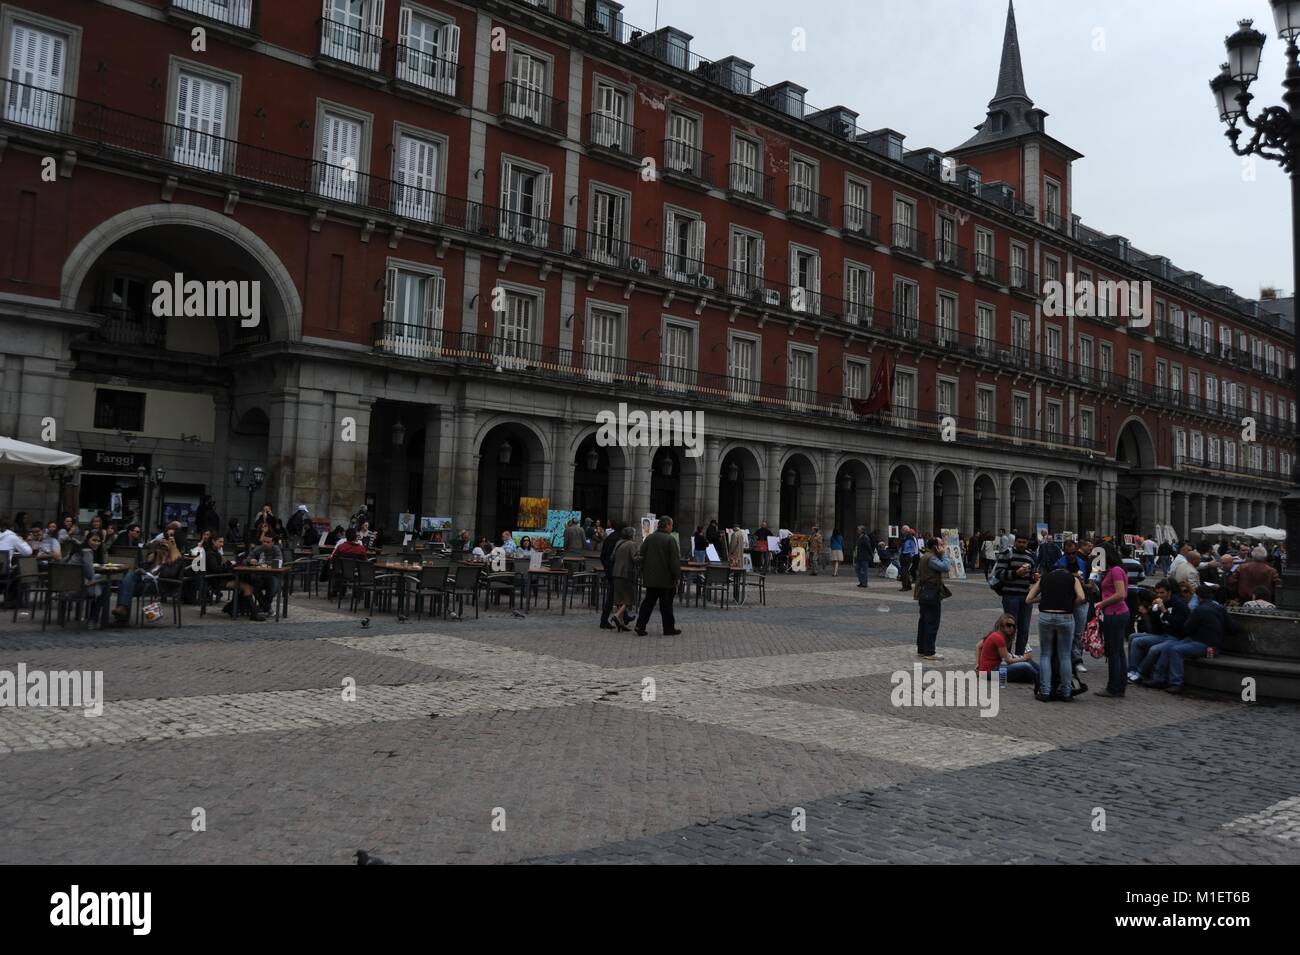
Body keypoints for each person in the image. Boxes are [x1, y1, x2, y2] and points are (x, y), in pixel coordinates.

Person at [1144, 586, 1234, 693]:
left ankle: (1175, 683)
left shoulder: (1199, 610)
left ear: (1198, 597)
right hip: (1208, 642)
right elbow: (1232, 626)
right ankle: (1159, 678)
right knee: (1169, 647)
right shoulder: (1220, 608)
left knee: (1175, 650)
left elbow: (1187, 628)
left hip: (1203, 643)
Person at [1026, 564, 1085, 701]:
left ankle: (1045, 692)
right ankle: (1066, 692)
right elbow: (1081, 597)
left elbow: (1028, 599)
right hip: (1066, 616)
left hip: (1046, 616)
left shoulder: (1044, 578)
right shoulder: (1072, 579)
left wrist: (1043, 598)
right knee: (1064, 655)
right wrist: (1071, 605)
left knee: (1045, 654)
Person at [1128, 578, 1188, 683]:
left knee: (1153, 649)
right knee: (1133, 637)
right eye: (1157, 593)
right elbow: (1155, 628)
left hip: (1175, 637)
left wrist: (1164, 611)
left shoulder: (1179, 604)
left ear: (1169, 592)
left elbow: (1177, 625)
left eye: (1162, 592)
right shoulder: (1158, 604)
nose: (1159, 595)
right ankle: (1131, 671)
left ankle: (1140, 673)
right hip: (1162, 635)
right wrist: (1149, 613)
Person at [635, 516, 681, 637]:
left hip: (651, 578)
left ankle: (640, 625)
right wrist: (677, 575)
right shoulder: (670, 540)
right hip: (665, 580)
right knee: (666, 606)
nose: (672, 527)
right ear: (666, 526)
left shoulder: (649, 538)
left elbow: (641, 554)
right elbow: (674, 561)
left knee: (648, 603)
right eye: (671, 525)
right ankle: (668, 628)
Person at [1094, 541, 1130, 698]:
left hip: (1114, 613)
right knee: (1119, 652)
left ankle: (1113, 687)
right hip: (1117, 613)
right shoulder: (1113, 570)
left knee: (1114, 652)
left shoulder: (1115, 570)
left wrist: (1101, 604)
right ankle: (1120, 685)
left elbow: (1121, 594)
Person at [993, 533, 1036, 654]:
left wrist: (1034, 577)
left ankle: (1019, 656)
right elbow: (999, 573)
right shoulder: (1007, 553)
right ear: (1015, 542)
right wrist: (1016, 573)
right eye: (1019, 542)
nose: (1021, 544)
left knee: (1024, 629)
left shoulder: (1030, 556)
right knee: (1009, 628)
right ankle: (1006, 655)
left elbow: (1031, 575)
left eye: (1024, 542)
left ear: (1027, 543)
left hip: (1026, 597)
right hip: (1010, 596)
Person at [912, 536, 951, 662]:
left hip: (925, 592)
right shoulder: (931, 558)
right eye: (940, 545)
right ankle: (929, 651)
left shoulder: (926, 556)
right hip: (931, 593)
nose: (942, 547)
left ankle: (922, 649)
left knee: (923, 621)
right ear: (935, 547)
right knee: (931, 622)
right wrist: (944, 554)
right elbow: (945, 567)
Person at [977, 613, 1039, 683]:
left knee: (1028, 662)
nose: (1011, 628)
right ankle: (1041, 679)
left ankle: (1045, 676)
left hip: (992, 669)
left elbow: (978, 646)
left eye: (1013, 626)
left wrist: (978, 665)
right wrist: (1024, 658)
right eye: (1008, 625)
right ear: (1002, 625)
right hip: (989, 673)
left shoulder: (995, 634)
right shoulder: (998, 638)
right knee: (1026, 666)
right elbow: (1007, 660)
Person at [610, 526, 639, 631]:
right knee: (629, 598)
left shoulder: (619, 543)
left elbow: (612, 557)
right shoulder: (632, 544)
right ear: (631, 535)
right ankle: (617, 615)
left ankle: (621, 623)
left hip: (616, 572)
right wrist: (642, 557)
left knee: (619, 598)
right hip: (627, 574)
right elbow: (635, 559)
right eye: (634, 534)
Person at [898, 525, 918, 591]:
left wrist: (910, 555)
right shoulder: (904, 537)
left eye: (902, 530)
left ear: (906, 531)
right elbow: (902, 546)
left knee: (904, 571)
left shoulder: (910, 538)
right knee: (904, 571)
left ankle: (905, 586)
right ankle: (908, 585)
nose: (901, 531)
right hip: (903, 555)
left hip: (907, 556)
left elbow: (913, 548)